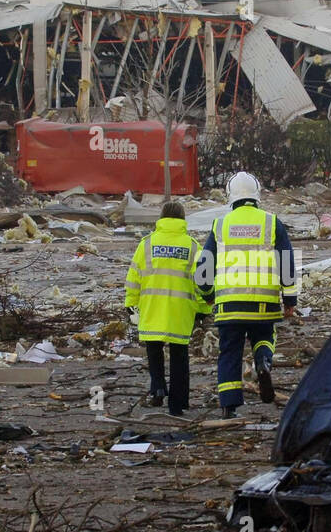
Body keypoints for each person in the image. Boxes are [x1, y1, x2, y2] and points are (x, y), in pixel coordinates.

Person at [195, 171, 297, 418]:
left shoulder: (220, 225)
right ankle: (262, 360)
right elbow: (287, 263)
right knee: (264, 336)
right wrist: (290, 301)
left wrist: (208, 295)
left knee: (229, 352)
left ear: (230, 195)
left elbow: (204, 268)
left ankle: (229, 408)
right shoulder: (272, 222)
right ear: (257, 194)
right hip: (264, 303)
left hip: (229, 305)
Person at [124, 201, 209, 416]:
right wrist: (203, 310)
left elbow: (134, 277)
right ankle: (177, 404)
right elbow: (202, 282)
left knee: (154, 350)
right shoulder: (192, 246)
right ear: (183, 219)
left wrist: (130, 303)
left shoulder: (146, 244)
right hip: (181, 309)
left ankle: (158, 388)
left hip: (152, 306)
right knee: (179, 356)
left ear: (161, 217)